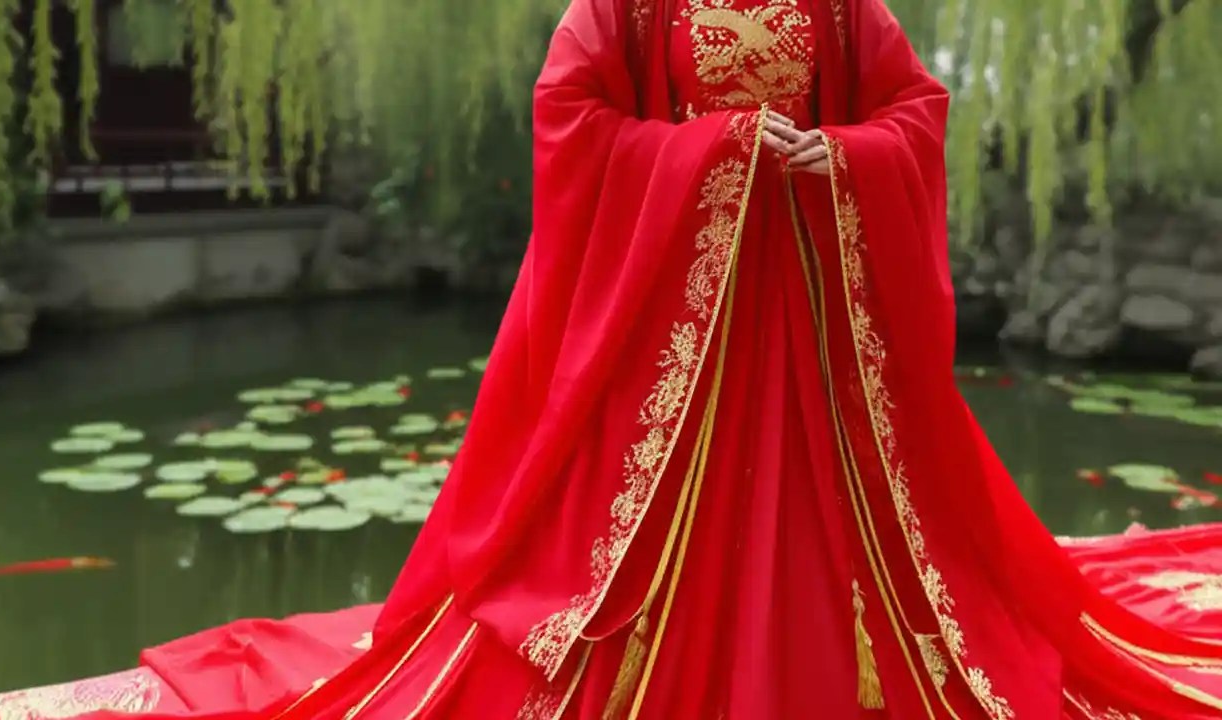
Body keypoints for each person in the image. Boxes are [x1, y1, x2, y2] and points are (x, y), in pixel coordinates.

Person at [75, 0, 1222, 717]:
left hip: (802, 304)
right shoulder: (624, 6)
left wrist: (837, 154)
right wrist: (711, 150)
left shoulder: (838, 8)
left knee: (824, 494)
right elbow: (567, 114)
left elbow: (914, 107)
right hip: (680, 313)